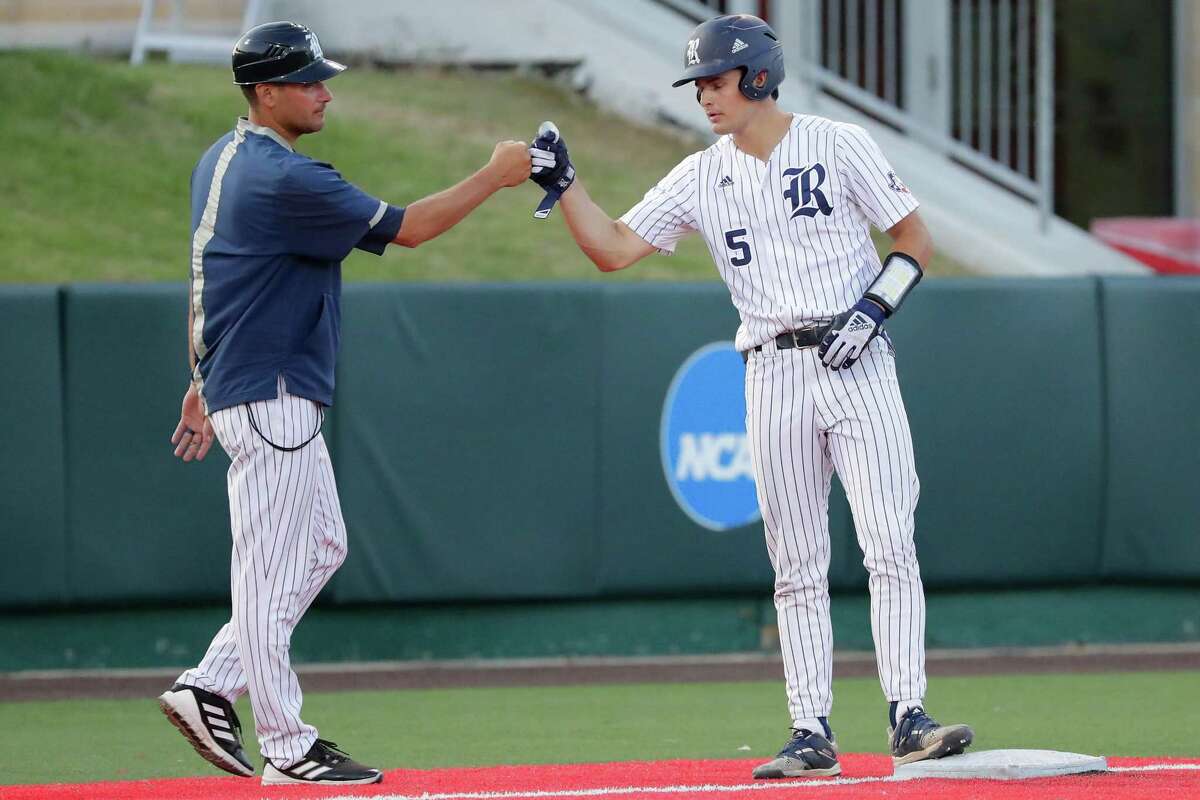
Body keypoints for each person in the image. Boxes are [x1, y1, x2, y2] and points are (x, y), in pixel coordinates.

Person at [528, 14, 973, 779]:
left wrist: (873, 310)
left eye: (716, 80)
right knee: (795, 562)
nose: (705, 96)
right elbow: (614, 248)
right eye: (698, 84)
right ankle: (811, 733)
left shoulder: (838, 143)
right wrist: (566, 186)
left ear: (759, 76)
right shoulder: (703, 173)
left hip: (857, 360)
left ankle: (908, 714)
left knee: (888, 541)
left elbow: (914, 239)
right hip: (771, 370)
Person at [160, 21, 530, 787]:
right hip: (273, 395)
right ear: (266, 93)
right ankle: (288, 747)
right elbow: (412, 229)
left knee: (322, 547)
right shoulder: (285, 179)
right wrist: (495, 174)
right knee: (265, 576)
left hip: (247, 387)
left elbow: (209, 272)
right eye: (306, 79)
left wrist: (200, 379)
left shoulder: (223, 158)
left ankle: (208, 682)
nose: (324, 89)